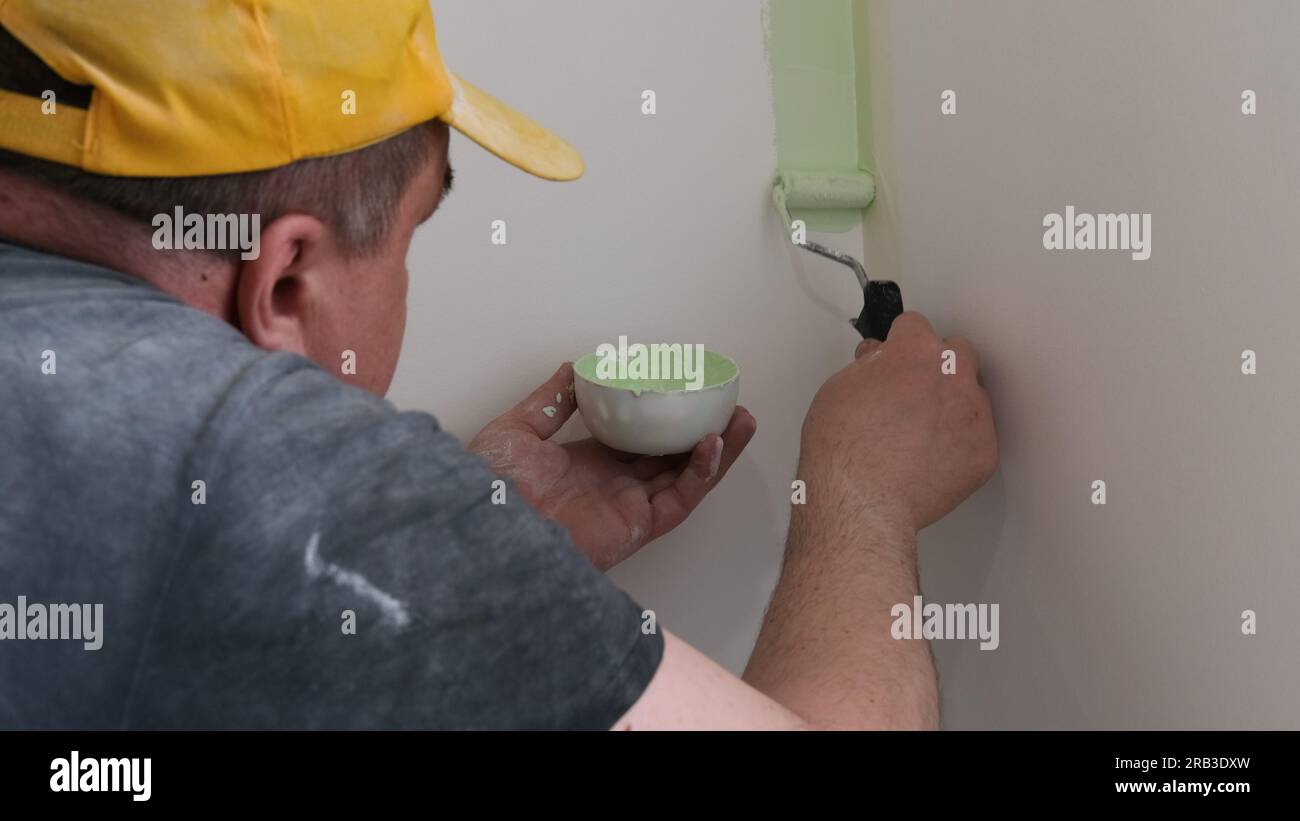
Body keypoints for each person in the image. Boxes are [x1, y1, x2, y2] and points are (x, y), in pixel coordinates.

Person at [0, 1, 996, 729]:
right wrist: (861, 500)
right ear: (287, 281)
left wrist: (448, 582)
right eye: (412, 230)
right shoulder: (288, 473)